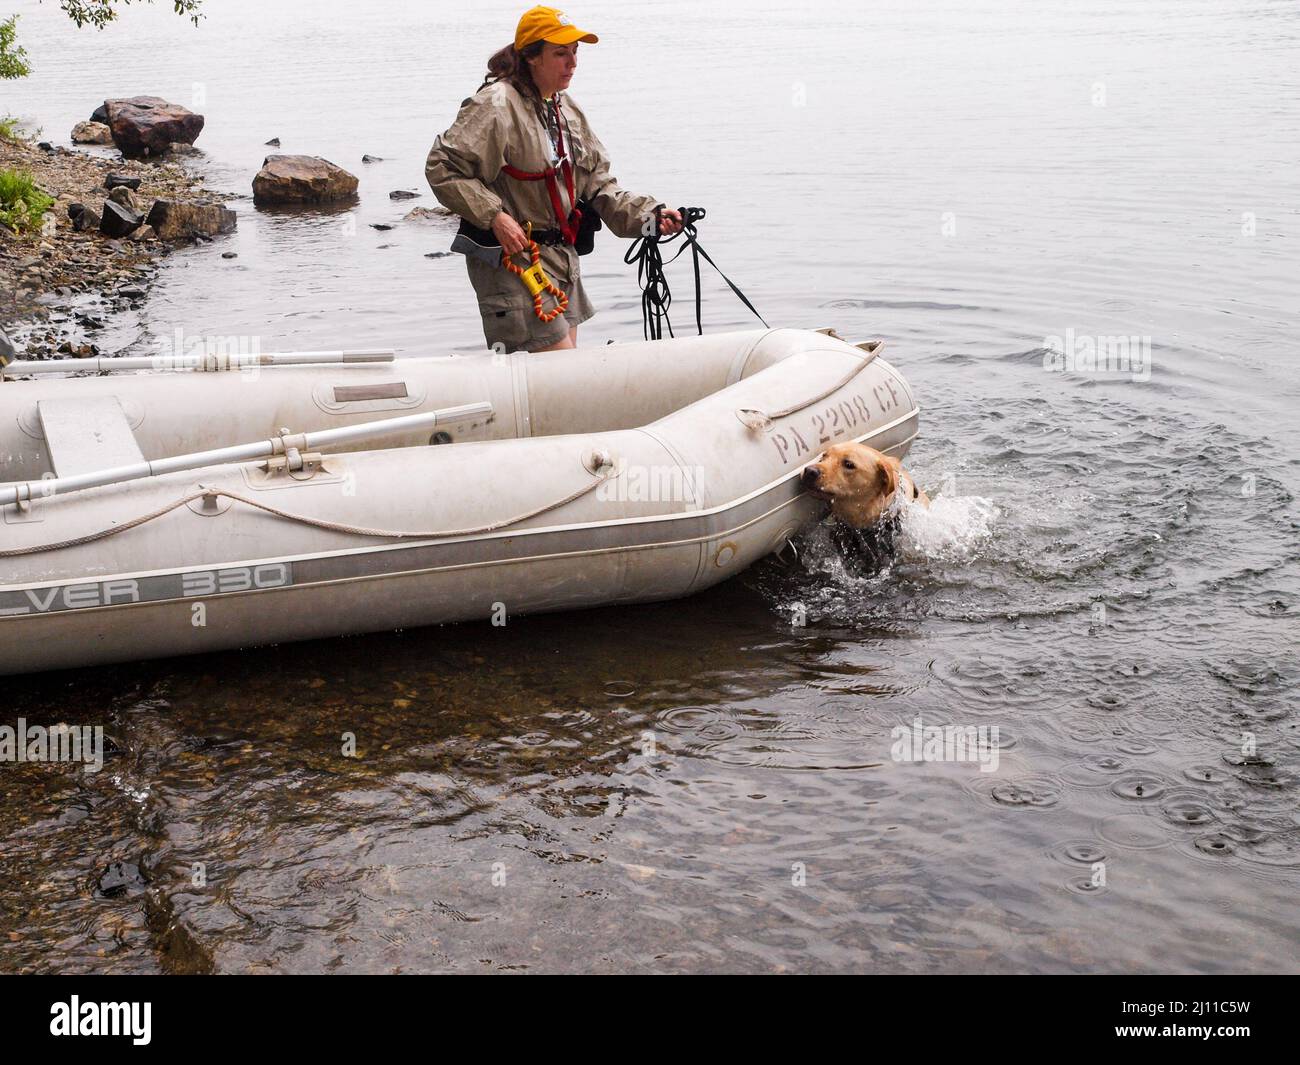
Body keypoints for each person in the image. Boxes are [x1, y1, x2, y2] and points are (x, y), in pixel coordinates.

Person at [425, 5, 683, 353]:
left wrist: (649, 217)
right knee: (562, 373)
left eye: (575, 52)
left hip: (562, 261)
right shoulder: (497, 105)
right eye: (560, 53)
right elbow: (441, 166)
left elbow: (598, 186)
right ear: (531, 56)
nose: (572, 62)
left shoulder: (566, 109)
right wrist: (494, 216)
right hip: (514, 265)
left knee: (562, 379)